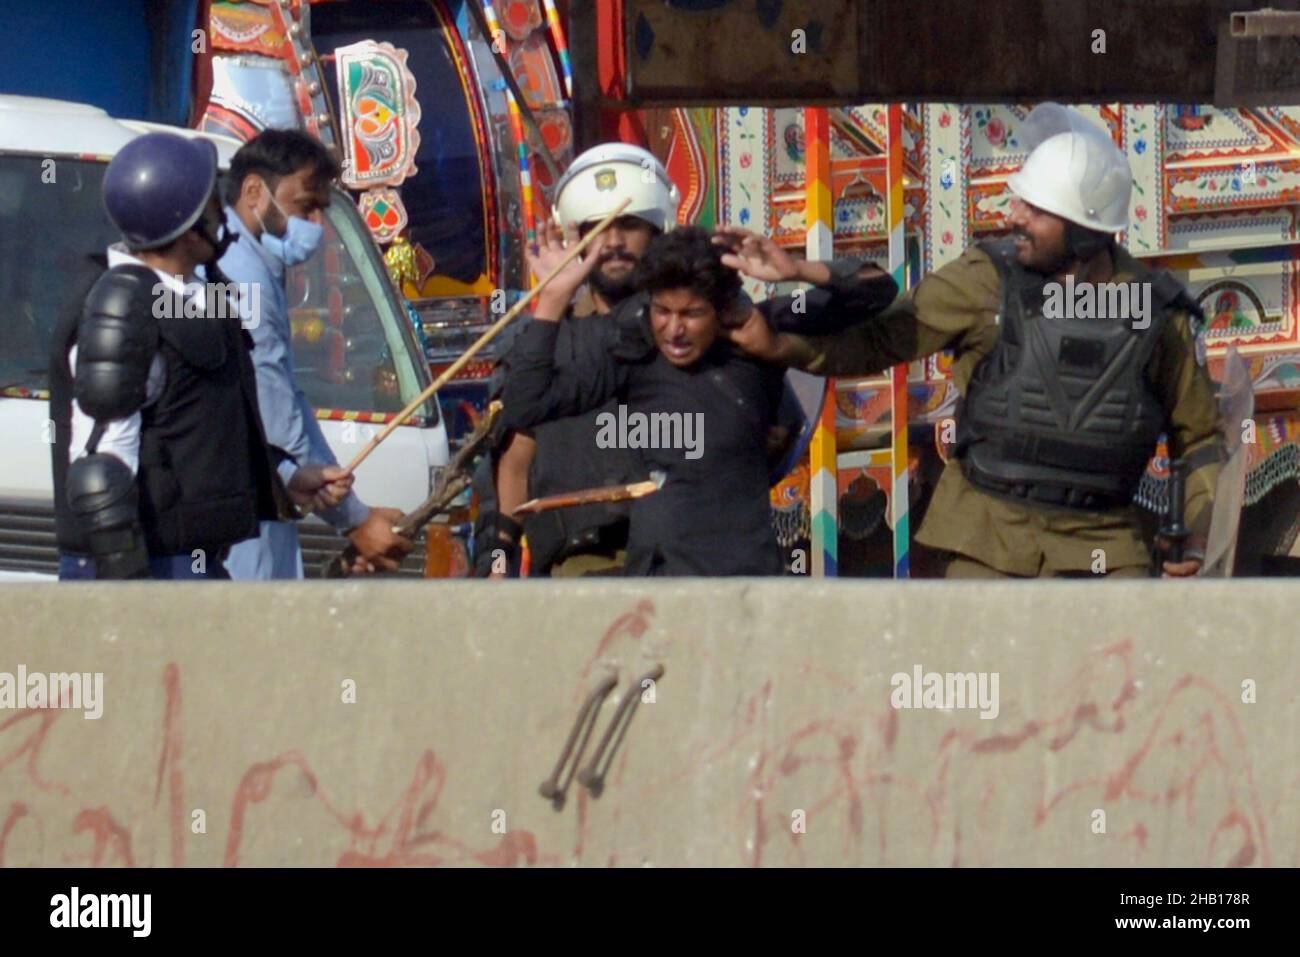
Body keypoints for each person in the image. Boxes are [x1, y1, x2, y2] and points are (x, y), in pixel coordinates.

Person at [727, 104, 1224, 578]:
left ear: (1086, 233)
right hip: (987, 542)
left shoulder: (1158, 312)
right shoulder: (986, 280)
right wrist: (781, 346)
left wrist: (1199, 537)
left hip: (1104, 551)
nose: (1015, 216)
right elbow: (881, 340)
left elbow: (1199, 439)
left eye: (1036, 210)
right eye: (1019, 201)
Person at [500, 224, 896, 576]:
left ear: (722, 309)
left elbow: (877, 290)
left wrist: (796, 270)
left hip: (745, 580)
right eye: (662, 311)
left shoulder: (759, 331)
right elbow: (527, 405)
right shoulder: (632, 354)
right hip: (659, 579)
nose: (673, 330)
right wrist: (552, 300)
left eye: (691, 314)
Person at [49, 132, 352, 580]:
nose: (220, 214)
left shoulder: (201, 296)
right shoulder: (124, 306)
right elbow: (101, 464)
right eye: (209, 203)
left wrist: (287, 478)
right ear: (183, 221)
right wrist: (126, 592)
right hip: (148, 571)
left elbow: (208, 429)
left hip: (198, 562)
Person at [218, 129, 411, 578]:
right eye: (305, 206)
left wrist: (349, 503)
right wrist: (355, 521)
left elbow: (290, 398)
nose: (316, 226)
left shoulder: (254, 268)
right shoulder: (242, 279)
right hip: (242, 515)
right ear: (253, 192)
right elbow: (277, 418)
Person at [479, 143, 678, 578]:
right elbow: (512, 470)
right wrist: (497, 564)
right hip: (580, 573)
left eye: (629, 224)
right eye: (596, 227)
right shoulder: (538, 345)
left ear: (658, 229)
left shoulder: (688, 330)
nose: (612, 241)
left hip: (683, 563)